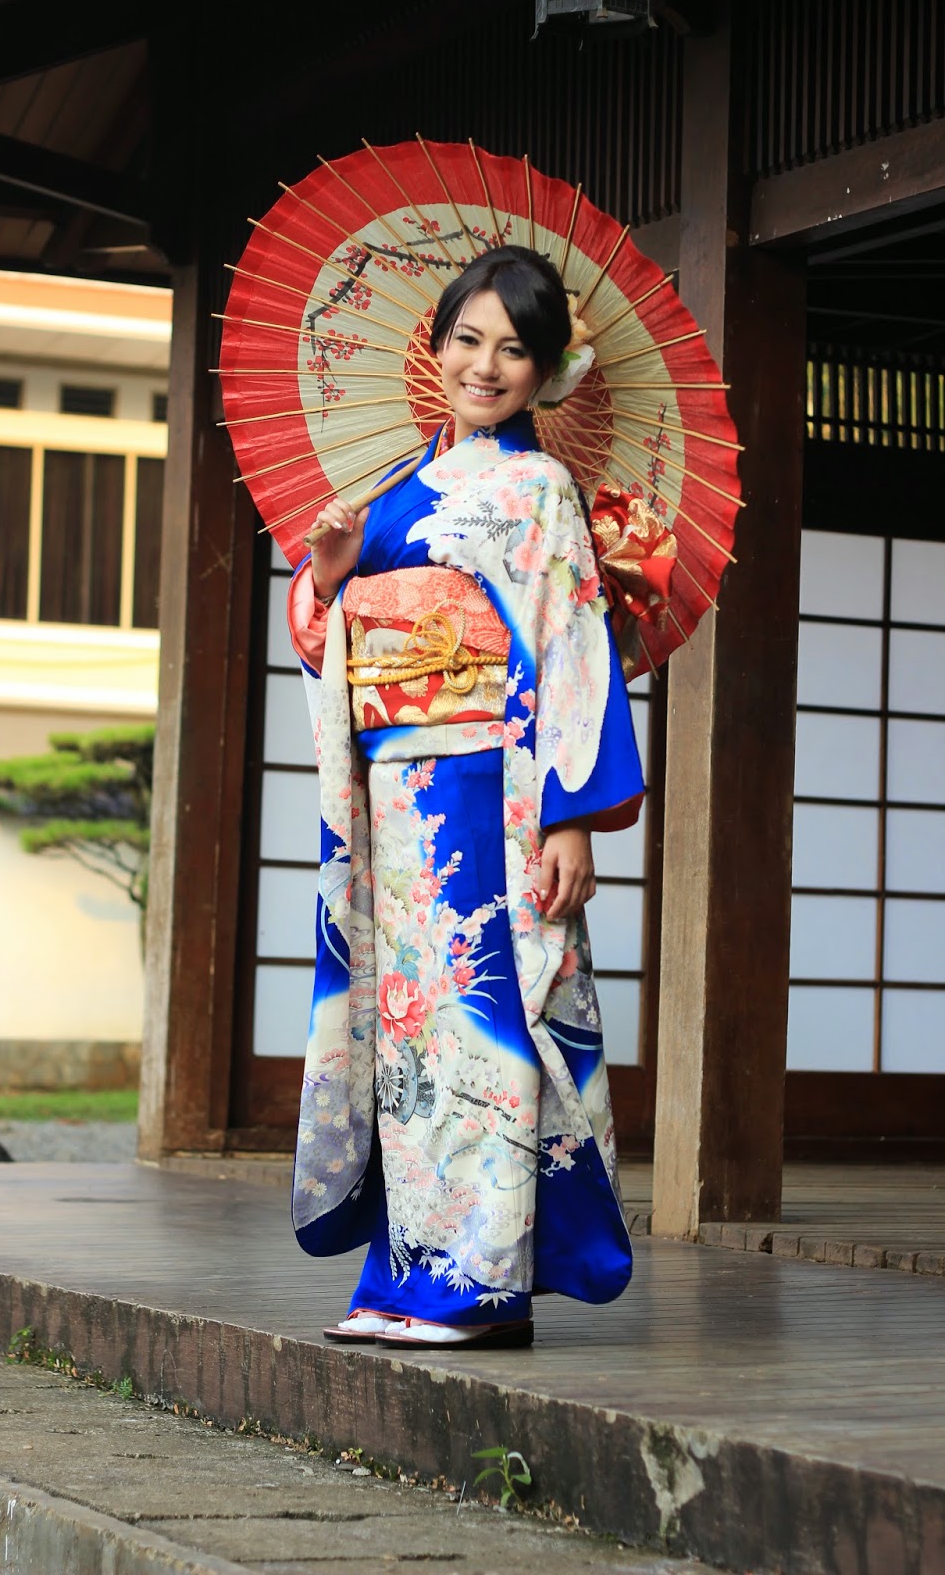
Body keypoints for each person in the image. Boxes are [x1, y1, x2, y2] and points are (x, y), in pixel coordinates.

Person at [286, 245, 644, 1348]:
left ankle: (480, 1276)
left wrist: (574, 817)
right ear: (434, 346)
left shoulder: (539, 491)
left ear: (544, 373)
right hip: (395, 801)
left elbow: (573, 647)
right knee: (407, 1043)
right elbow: (326, 643)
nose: (485, 365)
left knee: (487, 1027)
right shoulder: (396, 493)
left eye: (515, 349)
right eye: (468, 339)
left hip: (490, 796)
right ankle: (409, 1271)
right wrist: (334, 571)